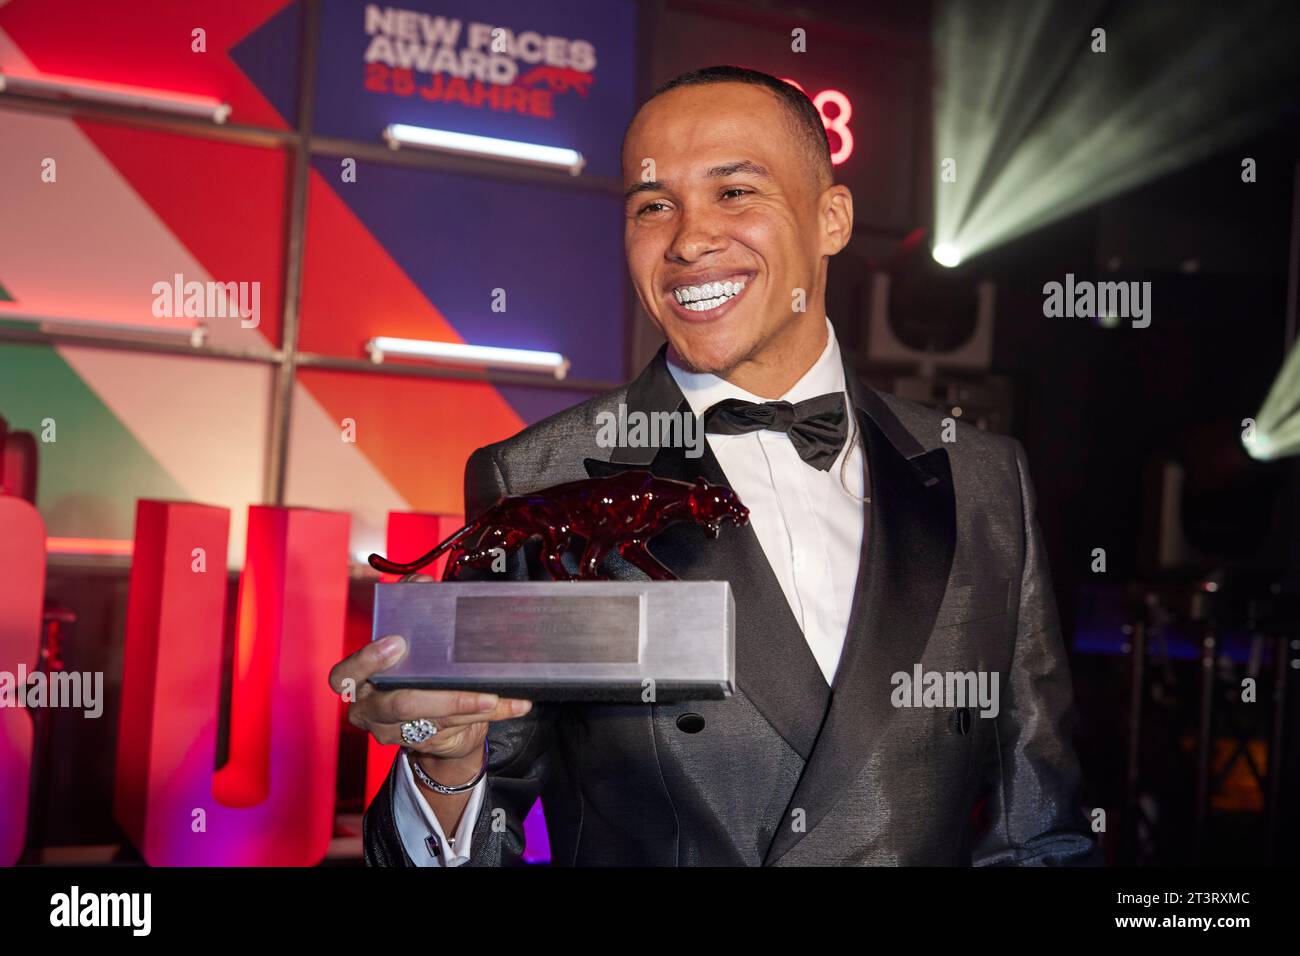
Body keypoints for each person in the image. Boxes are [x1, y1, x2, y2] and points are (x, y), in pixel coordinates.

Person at [329, 65, 1098, 866]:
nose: (689, 239)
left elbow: (1039, 828)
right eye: (654, 205)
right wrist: (444, 765)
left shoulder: (982, 479)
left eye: (735, 193)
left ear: (831, 219)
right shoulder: (540, 476)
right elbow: (485, 827)